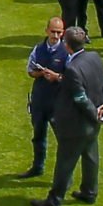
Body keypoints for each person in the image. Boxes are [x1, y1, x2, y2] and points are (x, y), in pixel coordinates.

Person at [31, 27, 103, 206]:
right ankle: (89, 192)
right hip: (93, 122)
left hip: (76, 124)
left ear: (66, 45)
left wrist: (93, 114)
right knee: (91, 157)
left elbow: (80, 99)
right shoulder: (95, 57)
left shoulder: (73, 69)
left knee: (65, 163)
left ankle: (54, 201)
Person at [18, 18, 70, 179]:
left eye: (59, 33)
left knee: (63, 140)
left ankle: (64, 176)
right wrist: (40, 73)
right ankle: (37, 166)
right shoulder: (38, 49)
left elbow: (72, 78)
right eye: (53, 32)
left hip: (58, 103)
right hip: (39, 100)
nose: (55, 36)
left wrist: (57, 77)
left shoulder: (67, 52)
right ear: (46, 30)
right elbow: (30, 70)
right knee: (38, 136)